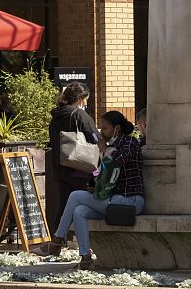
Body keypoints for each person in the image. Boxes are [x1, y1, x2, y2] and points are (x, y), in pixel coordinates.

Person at [33, 111, 144, 270]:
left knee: (75, 196)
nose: (101, 132)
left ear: (117, 128)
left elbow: (119, 161)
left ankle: (56, 242)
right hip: (114, 200)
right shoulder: (110, 146)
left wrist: (104, 150)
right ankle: (85, 258)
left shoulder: (130, 142)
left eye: (105, 128)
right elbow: (103, 175)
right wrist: (94, 186)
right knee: (79, 211)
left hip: (130, 201)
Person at [46, 82, 98, 233]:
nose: (86, 103)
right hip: (79, 168)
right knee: (84, 206)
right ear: (80, 99)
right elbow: (94, 136)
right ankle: (81, 238)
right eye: (86, 99)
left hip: (60, 169)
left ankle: (58, 238)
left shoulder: (56, 116)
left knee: (64, 205)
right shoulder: (79, 114)